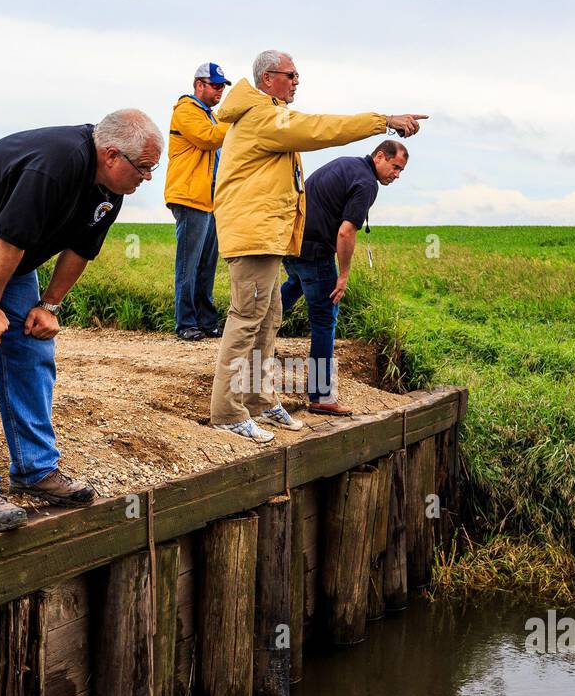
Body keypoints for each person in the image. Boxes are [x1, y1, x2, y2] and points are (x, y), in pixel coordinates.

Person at [0, 110, 164, 531]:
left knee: (32, 342)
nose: (147, 178)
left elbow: (80, 248)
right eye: (145, 168)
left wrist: (49, 305)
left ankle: (35, 469)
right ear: (112, 155)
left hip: (4, 244)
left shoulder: (111, 188)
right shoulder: (55, 167)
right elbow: (8, 239)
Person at [208, 49, 426, 443]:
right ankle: (227, 412)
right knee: (246, 322)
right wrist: (383, 121)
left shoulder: (267, 115)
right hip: (256, 235)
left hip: (272, 238)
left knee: (269, 319)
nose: (296, 82)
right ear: (268, 78)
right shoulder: (264, 116)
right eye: (291, 75)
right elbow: (321, 128)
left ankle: (260, 400)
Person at [281, 140, 409, 415]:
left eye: (400, 171)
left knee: (295, 285)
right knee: (325, 319)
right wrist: (344, 275)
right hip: (315, 250)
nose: (396, 175)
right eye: (395, 167)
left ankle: (253, 328)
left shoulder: (345, 165)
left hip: (291, 242)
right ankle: (321, 397)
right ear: (379, 157)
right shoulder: (366, 183)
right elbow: (346, 232)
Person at [165, 62, 230, 341]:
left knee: (206, 264)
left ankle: (206, 320)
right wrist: (235, 118)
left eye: (222, 87)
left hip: (210, 198)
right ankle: (186, 323)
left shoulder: (211, 115)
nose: (219, 91)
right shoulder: (187, 111)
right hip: (190, 197)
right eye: (215, 85)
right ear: (198, 85)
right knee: (188, 266)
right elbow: (208, 139)